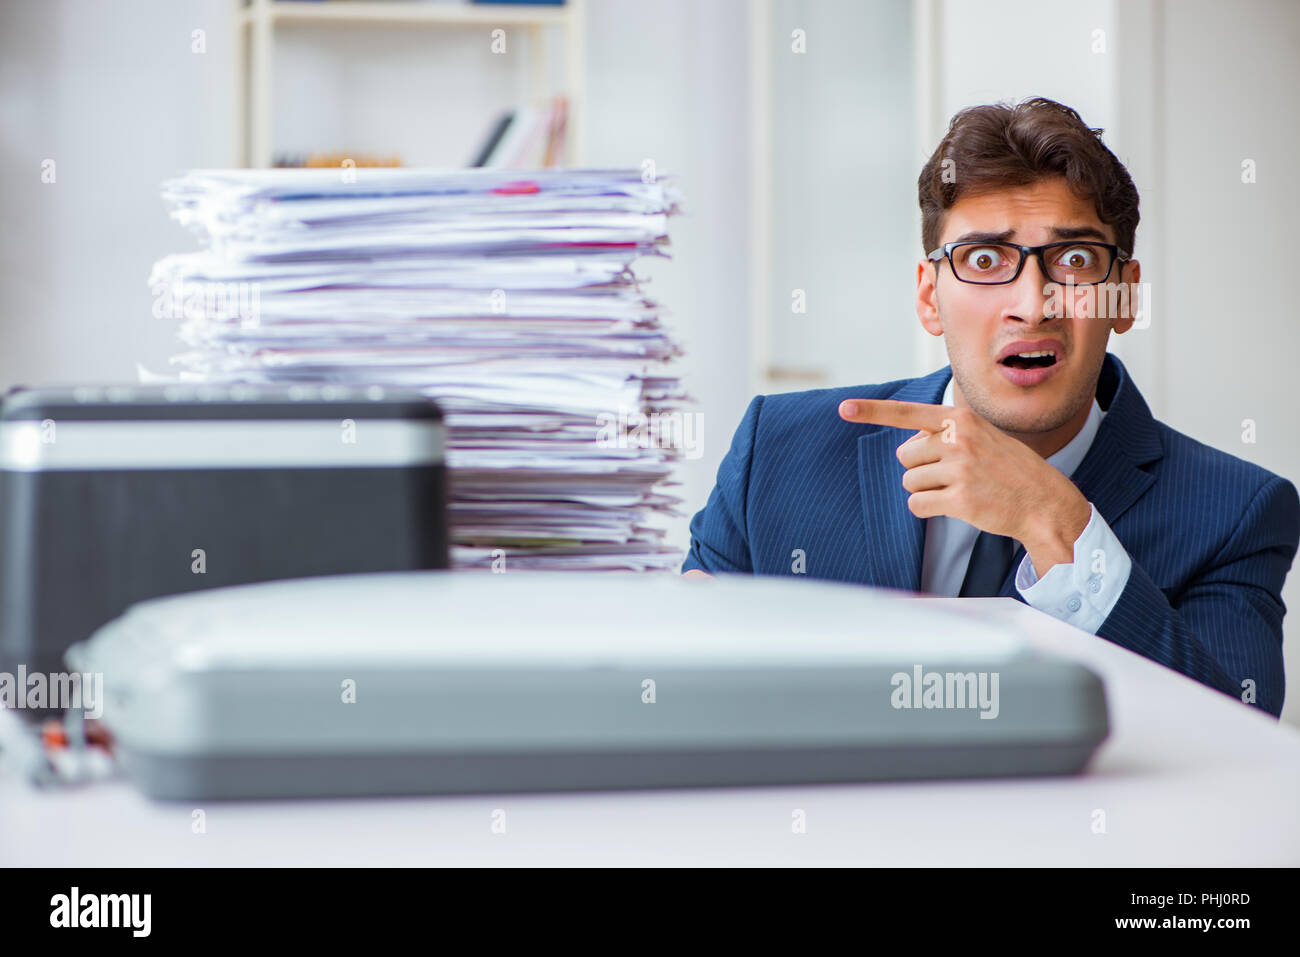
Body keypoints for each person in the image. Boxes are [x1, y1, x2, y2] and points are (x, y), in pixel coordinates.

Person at [681, 97, 1299, 718]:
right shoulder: (779, 450)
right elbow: (685, 694)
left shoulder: (1236, 513)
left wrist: (1057, 526)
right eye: (984, 260)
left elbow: (1233, 744)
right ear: (929, 297)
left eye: (1075, 261)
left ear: (1124, 296)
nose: (1033, 305)